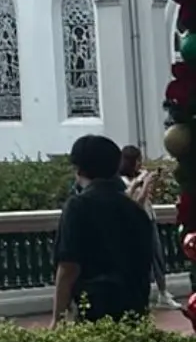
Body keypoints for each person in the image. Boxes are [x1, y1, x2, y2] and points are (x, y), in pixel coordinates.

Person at [52, 134, 153, 323]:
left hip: (94, 309)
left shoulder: (78, 206)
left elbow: (68, 267)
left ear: (79, 169)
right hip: (134, 308)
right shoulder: (134, 210)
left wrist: (57, 319)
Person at [119, 144, 178, 308]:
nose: (140, 164)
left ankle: (163, 292)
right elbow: (136, 203)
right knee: (141, 261)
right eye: (137, 160)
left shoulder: (137, 178)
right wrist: (143, 184)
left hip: (149, 218)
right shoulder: (123, 182)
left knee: (158, 256)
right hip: (136, 224)